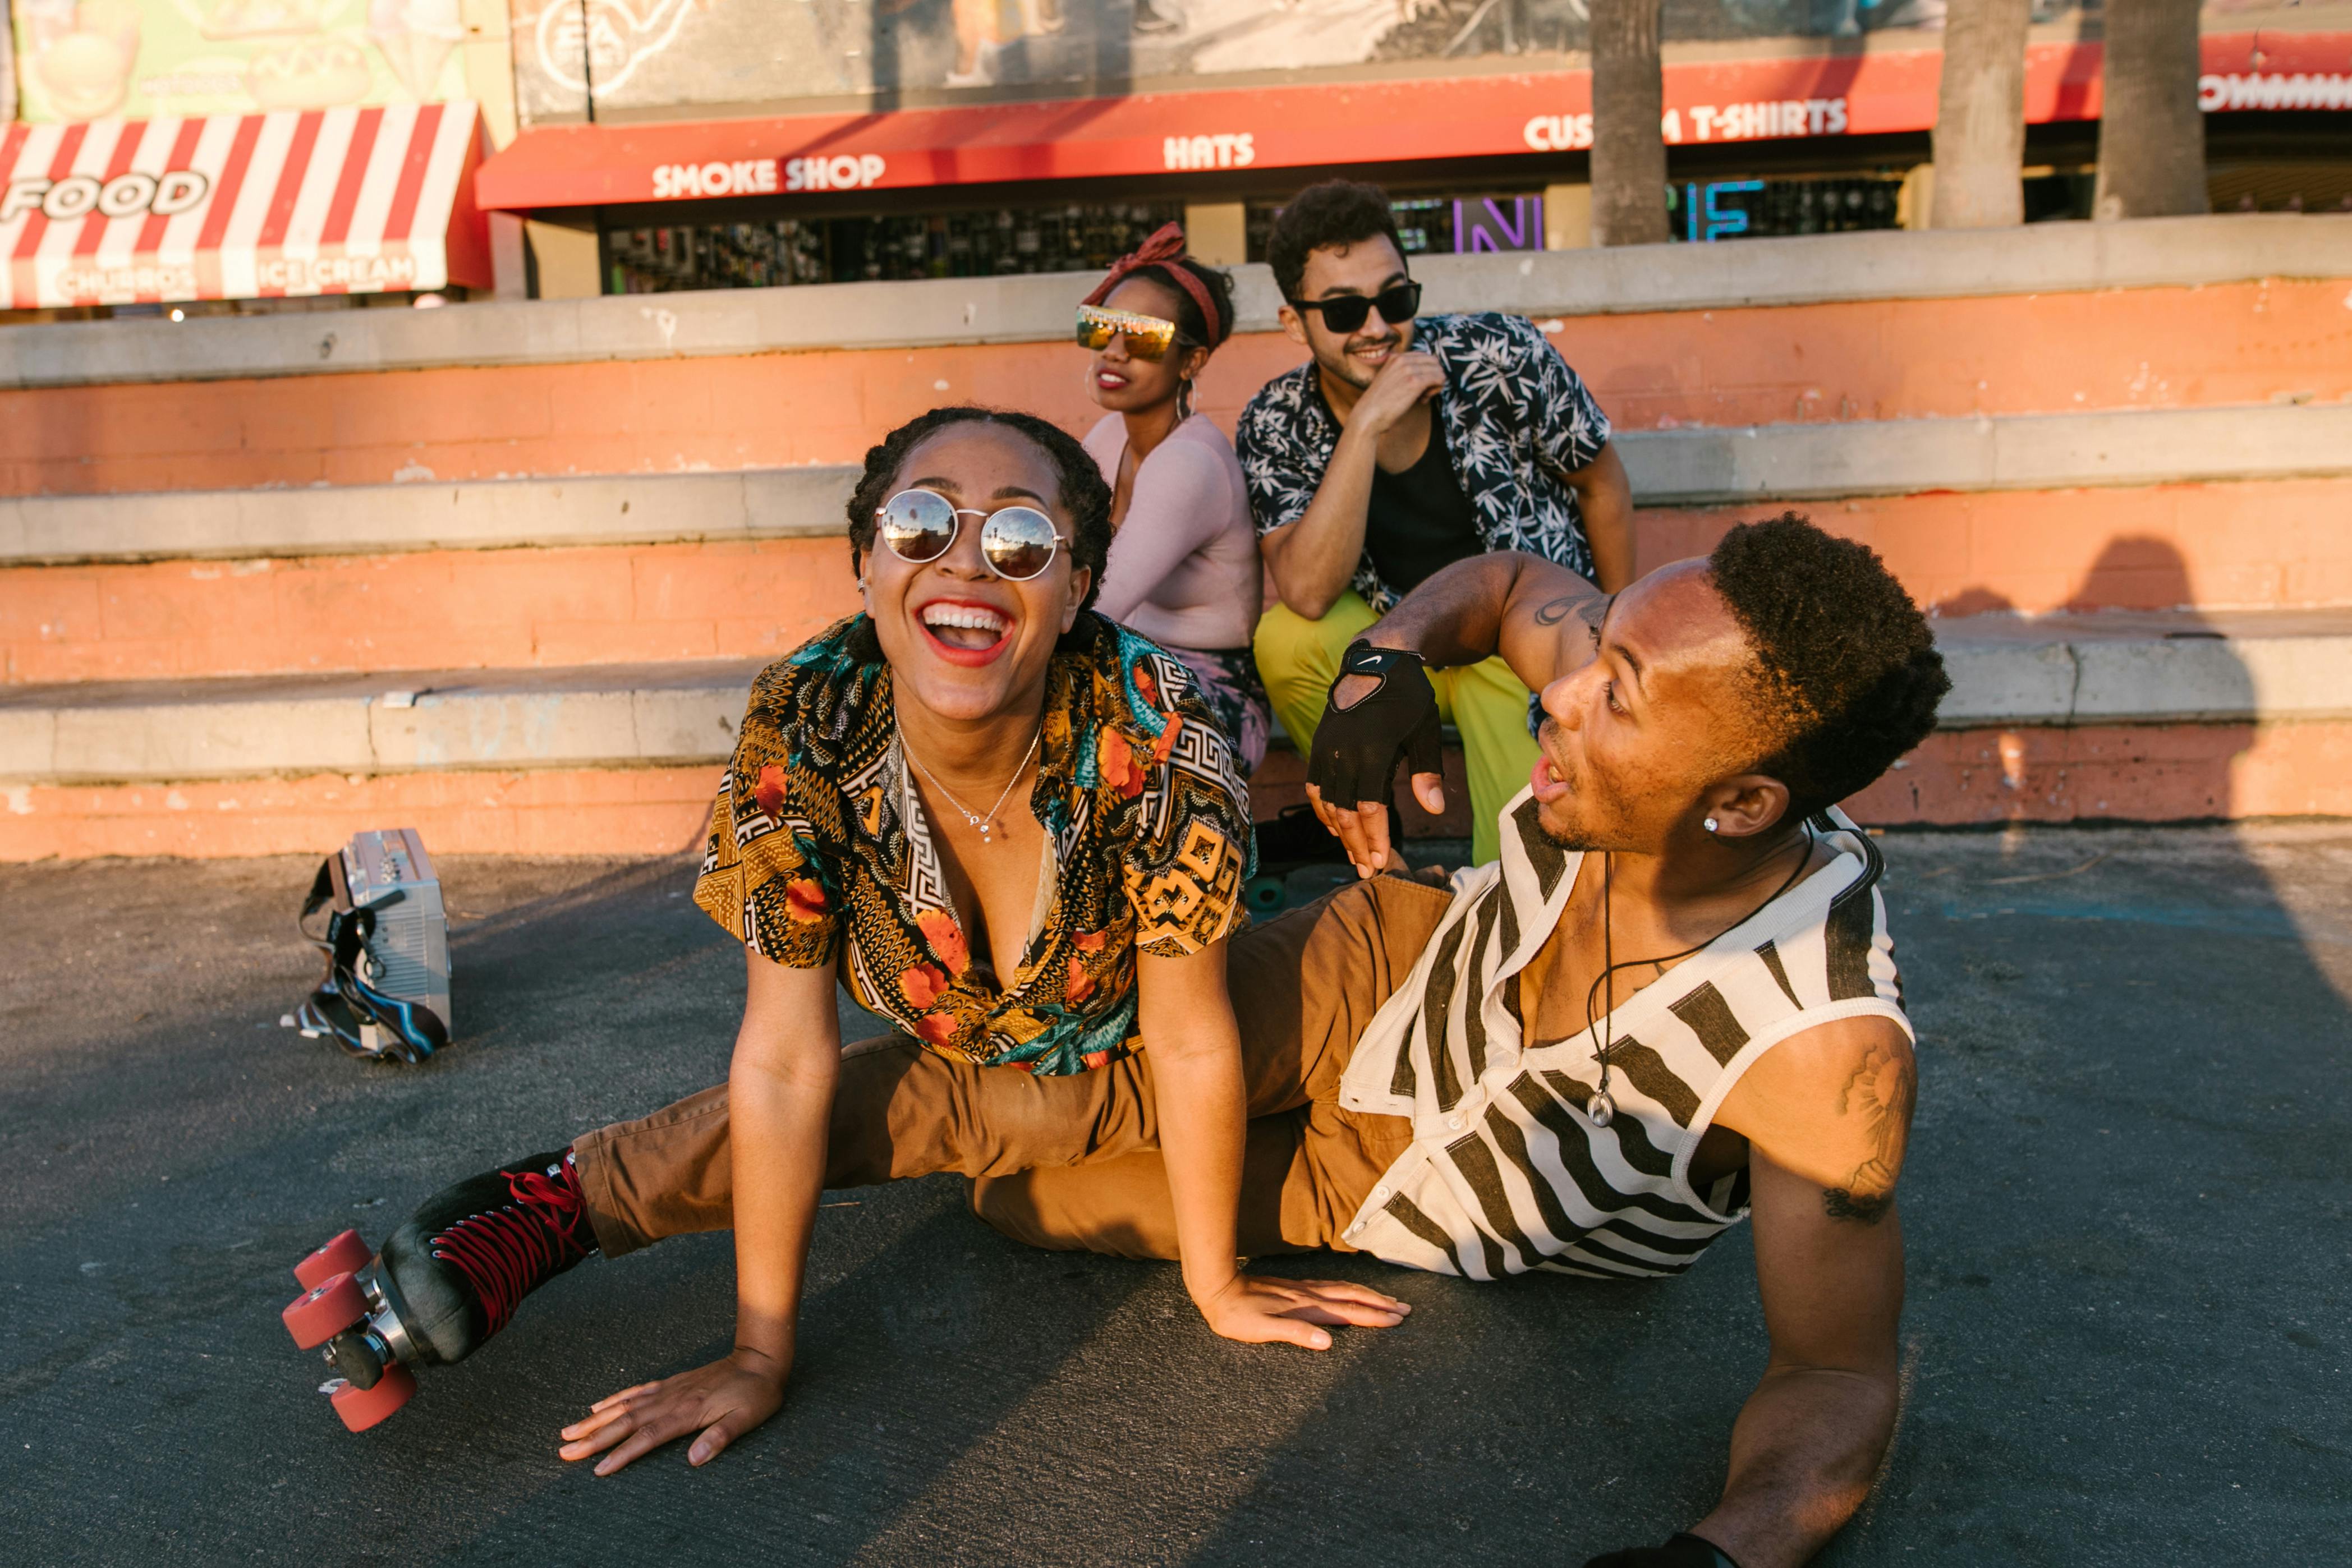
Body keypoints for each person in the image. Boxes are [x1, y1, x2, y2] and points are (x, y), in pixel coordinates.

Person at [326, 407, 1409, 1472]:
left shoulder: (1154, 728)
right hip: (1017, 1088)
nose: (969, 564)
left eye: (1021, 539)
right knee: (1024, 1192)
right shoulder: (802, 729)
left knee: (1018, 1162)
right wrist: (759, 1353)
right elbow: (788, 1058)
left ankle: (565, 1196)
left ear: (1077, 589)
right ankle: (558, 1202)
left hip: (1219, 1019)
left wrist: (1215, 1288)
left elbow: (1187, 1040)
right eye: (921, 525)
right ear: (863, 561)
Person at [973, 515, 1951, 1567]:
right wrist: (1383, 661)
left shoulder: (1819, 1048)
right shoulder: (1659, 692)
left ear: (1743, 804)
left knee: (1018, 1195)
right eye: (1600, 648)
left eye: (1613, 693)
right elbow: (1508, 581)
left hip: (1392, 1187)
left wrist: (1720, 1555)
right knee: (1011, 1099)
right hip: (1398, 965)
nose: (1562, 692)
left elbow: (1836, 1375)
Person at [1238, 178, 1636, 866]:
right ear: (1292, 323)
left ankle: (1509, 907)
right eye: (1342, 310)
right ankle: (1370, 830)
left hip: (1514, 639)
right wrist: (1363, 426)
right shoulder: (1276, 419)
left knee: (1529, 852)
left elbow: (1600, 481)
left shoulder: (1499, 356)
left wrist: (1620, 635)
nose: (1376, 327)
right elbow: (1306, 591)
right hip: (1402, 637)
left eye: (1394, 299)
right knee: (1285, 637)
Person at [1077, 222, 1270, 771]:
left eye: (1141, 338)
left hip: (1209, 697)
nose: (1113, 351)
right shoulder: (1108, 436)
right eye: (1102, 329)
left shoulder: (1190, 463)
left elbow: (1095, 602)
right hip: (1129, 668)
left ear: (1191, 361)